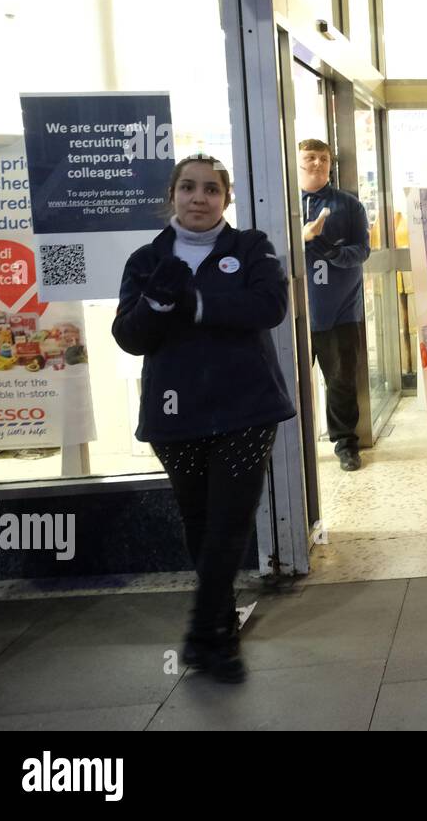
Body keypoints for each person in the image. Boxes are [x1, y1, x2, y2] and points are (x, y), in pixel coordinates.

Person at [112, 155, 295, 682]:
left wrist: (189, 302)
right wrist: (155, 302)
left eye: (211, 189)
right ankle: (220, 630)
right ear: (172, 195)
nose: (199, 198)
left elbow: (267, 307)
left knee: (230, 522)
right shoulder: (146, 259)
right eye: (188, 188)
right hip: (176, 416)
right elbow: (130, 337)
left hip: (247, 409)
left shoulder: (251, 247)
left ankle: (201, 632)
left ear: (226, 198)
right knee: (200, 522)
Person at [297, 139, 371, 472]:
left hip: (342, 311)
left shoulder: (349, 205)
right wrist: (303, 238)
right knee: (290, 382)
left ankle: (346, 444)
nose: (317, 163)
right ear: (296, 162)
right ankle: (291, 448)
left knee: (341, 379)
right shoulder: (283, 204)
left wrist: (332, 252)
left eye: (323, 158)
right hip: (295, 314)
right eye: (310, 158)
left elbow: (362, 251)